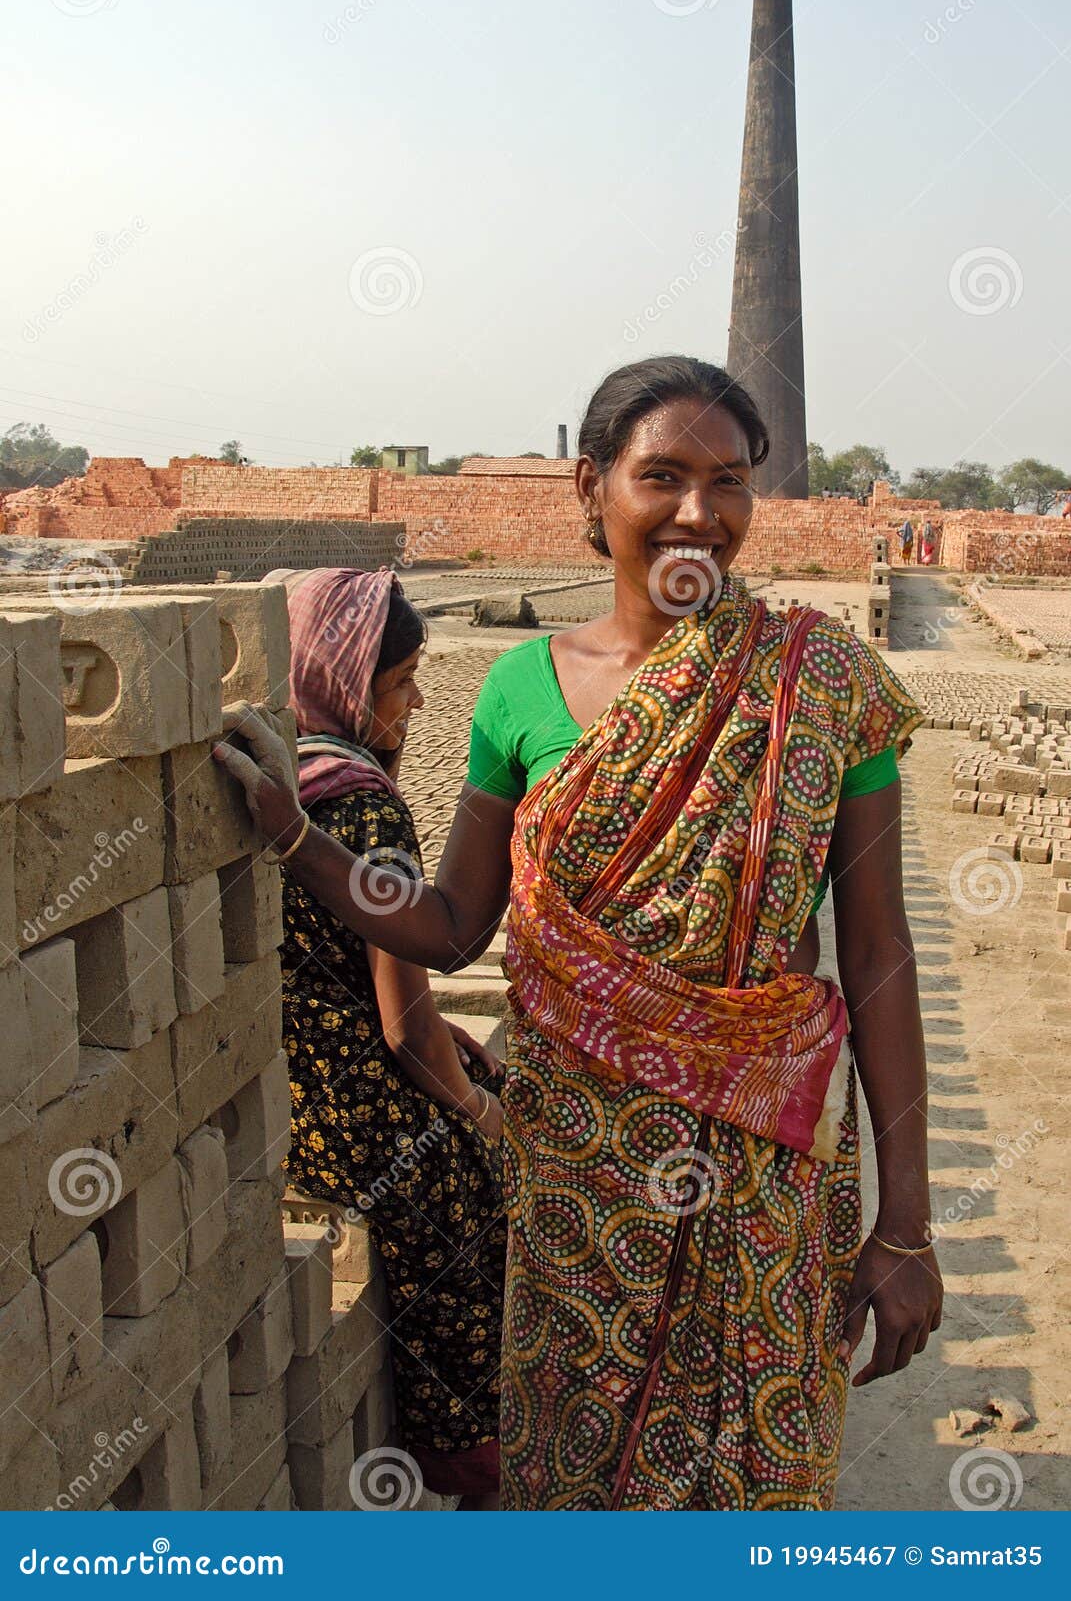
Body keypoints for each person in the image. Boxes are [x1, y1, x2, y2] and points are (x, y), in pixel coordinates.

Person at [215, 357, 942, 1512]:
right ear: (591, 485)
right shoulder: (518, 690)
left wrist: (904, 1224)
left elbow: (878, 955)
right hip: (575, 1178)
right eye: (664, 475)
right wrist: (300, 839)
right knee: (581, 1474)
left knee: (752, 1483)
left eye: (729, 480)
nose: (700, 510)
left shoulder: (826, 681)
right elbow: (452, 924)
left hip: (763, 1173)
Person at [260, 567, 506, 1508]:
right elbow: (403, 1030)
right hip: (357, 1121)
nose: (415, 705)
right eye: (401, 683)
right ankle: (472, 1445)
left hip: (289, 1101)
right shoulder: (363, 809)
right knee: (486, 1175)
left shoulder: (282, 779)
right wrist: (476, 1110)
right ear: (345, 682)